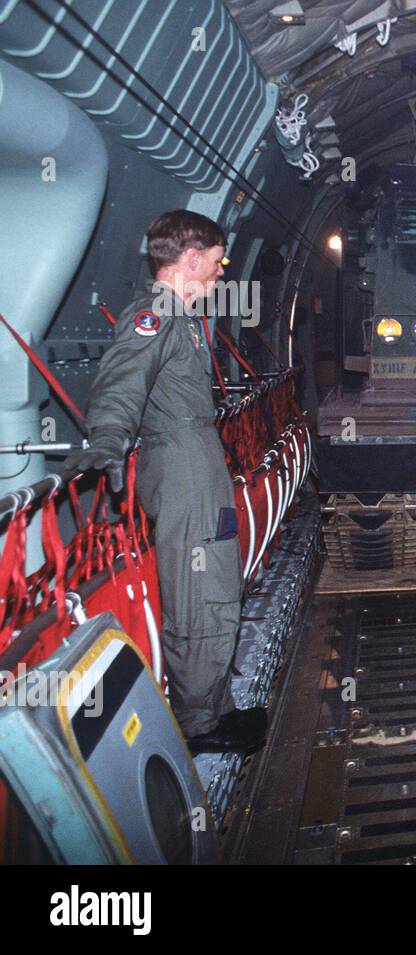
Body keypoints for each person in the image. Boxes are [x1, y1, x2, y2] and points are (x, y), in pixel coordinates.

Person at [70, 210, 266, 755]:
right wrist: (107, 439)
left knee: (217, 584)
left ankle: (215, 705)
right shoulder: (153, 316)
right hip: (182, 468)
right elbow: (122, 379)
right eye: (218, 262)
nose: (222, 274)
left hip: (196, 463)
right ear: (191, 258)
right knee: (200, 594)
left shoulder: (179, 318)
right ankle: (199, 725)